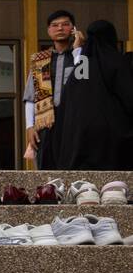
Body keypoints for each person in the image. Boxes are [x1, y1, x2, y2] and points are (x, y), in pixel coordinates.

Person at [47, 20, 133, 169]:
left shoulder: (82, 66)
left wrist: (78, 50)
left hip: (79, 140)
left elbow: (72, 99)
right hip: (110, 142)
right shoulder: (117, 61)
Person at [24, 9, 82, 167]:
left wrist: (78, 50)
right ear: (49, 31)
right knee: (46, 167)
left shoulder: (82, 57)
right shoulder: (40, 60)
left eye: (65, 24)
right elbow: (30, 98)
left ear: (73, 29)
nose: (60, 28)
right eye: (55, 25)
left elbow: (84, 83)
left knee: (73, 167)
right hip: (46, 123)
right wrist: (30, 126)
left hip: (74, 122)